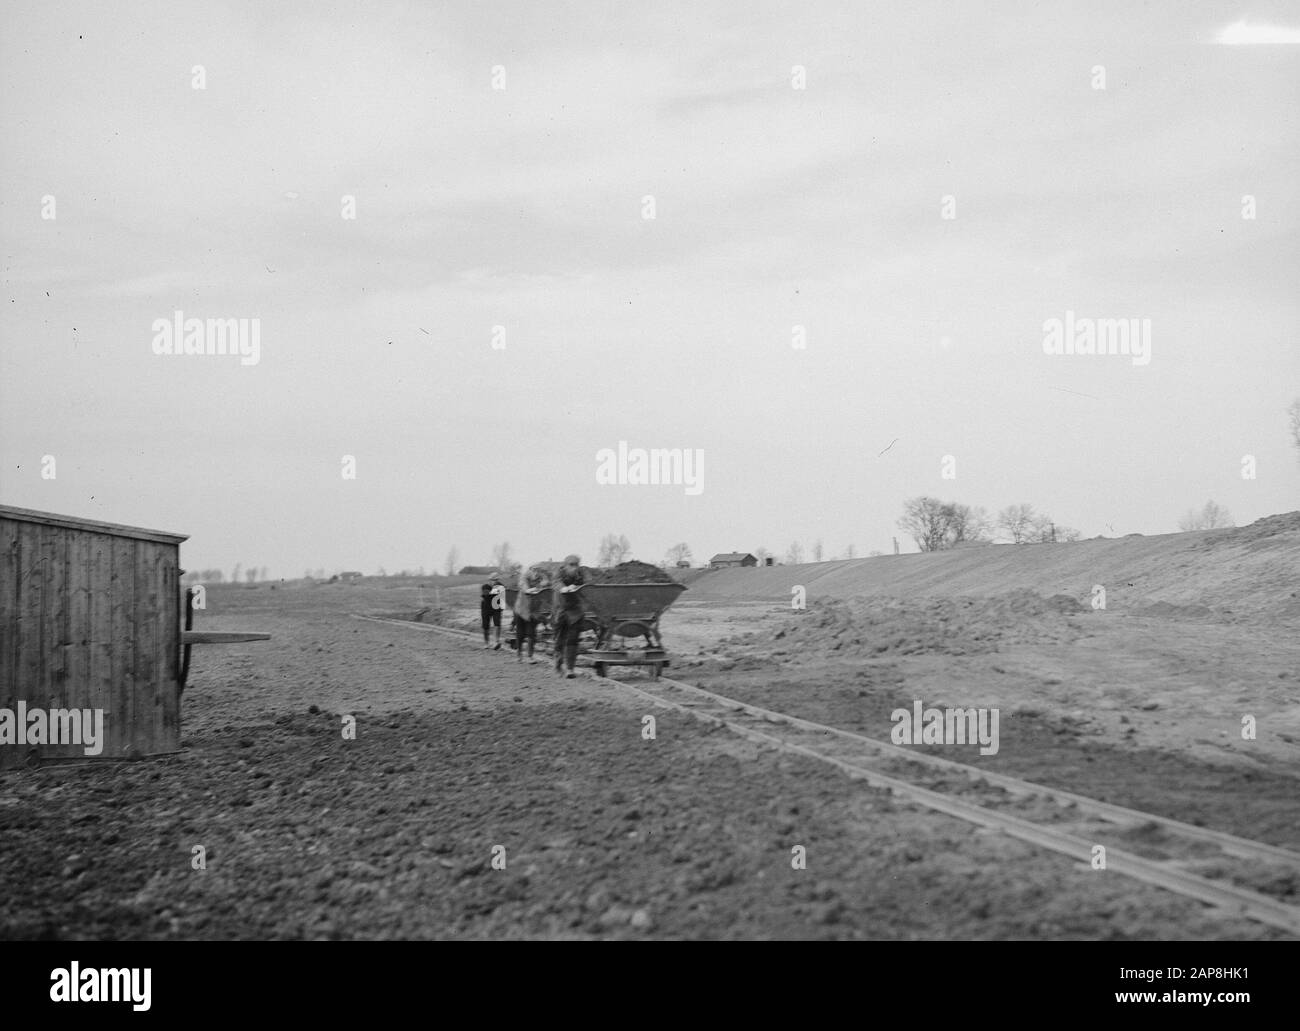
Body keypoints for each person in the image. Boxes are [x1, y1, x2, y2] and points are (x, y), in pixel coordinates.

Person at [550, 554, 586, 678]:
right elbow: (556, 583)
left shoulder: (581, 574)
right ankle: (558, 664)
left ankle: (570, 669)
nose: (574, 568)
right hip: (560, 610)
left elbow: (588, 584)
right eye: (571, 565)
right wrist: (565, 588)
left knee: (572, 639)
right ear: (565, 566)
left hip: (575, 611)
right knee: (559, 639)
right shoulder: (558, 573)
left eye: (576, 565)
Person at [513, 565, 546, 664]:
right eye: (534, 570)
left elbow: (545, 585)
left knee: (532, 634)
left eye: (538, 570)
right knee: (520, 633)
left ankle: (530, 656)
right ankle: (519, 655)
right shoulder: (524, 577)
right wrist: (529, 590)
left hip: (533, 611)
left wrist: (542, 586)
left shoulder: (539, 579)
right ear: (530, 570)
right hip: (521, 609)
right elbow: (524, 587)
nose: (536, 573)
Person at [480, 572, 506, 649]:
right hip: (486, 608)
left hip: (496, 607)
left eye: (496, 580)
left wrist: (501, 608)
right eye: (492, 580)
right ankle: (486, 643)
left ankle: (496, 642)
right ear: (489, 580)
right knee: (485, 626)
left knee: (497, 624)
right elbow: (487, 594)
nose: (494, 581)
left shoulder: (500, 586)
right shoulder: (485, 586)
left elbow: (502, 597)